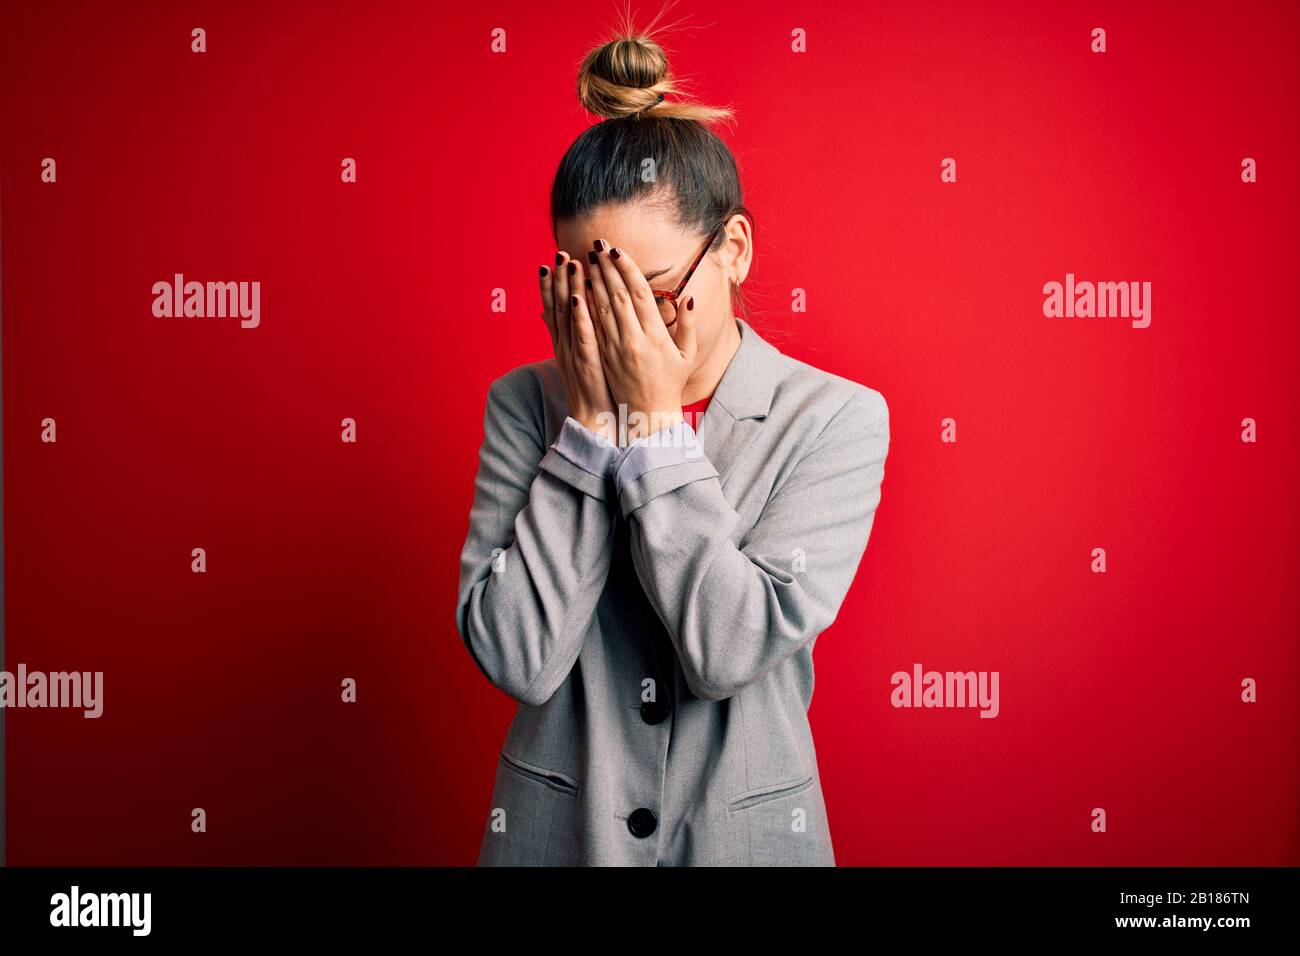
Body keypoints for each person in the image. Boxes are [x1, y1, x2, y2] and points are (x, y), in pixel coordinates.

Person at [455, 23, 890, 866]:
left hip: (746, 836)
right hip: (557, 836)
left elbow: (731, 651)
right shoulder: (526, 404)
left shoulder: (835, 418)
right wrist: (585, 433)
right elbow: (517, 656)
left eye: (649, 293)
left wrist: (655, 432)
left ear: (732, 248)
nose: (622, 329)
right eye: (591, 293)